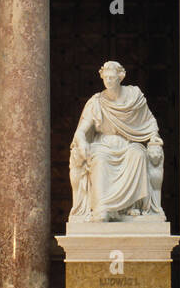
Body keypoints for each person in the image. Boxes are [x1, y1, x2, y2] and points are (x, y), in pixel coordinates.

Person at [69, 61, 165, 222]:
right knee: (99, 159)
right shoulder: (97, 102)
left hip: (127, 144)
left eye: (112, 77)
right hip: (103, 145)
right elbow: (81, 131)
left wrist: (154, 136)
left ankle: (131, 206)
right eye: (105, 77)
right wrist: (82, 142)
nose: (108, 81)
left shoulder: (134, 97)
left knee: (138, 154)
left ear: (120, 77)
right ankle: (102, 208)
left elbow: (149, 120)